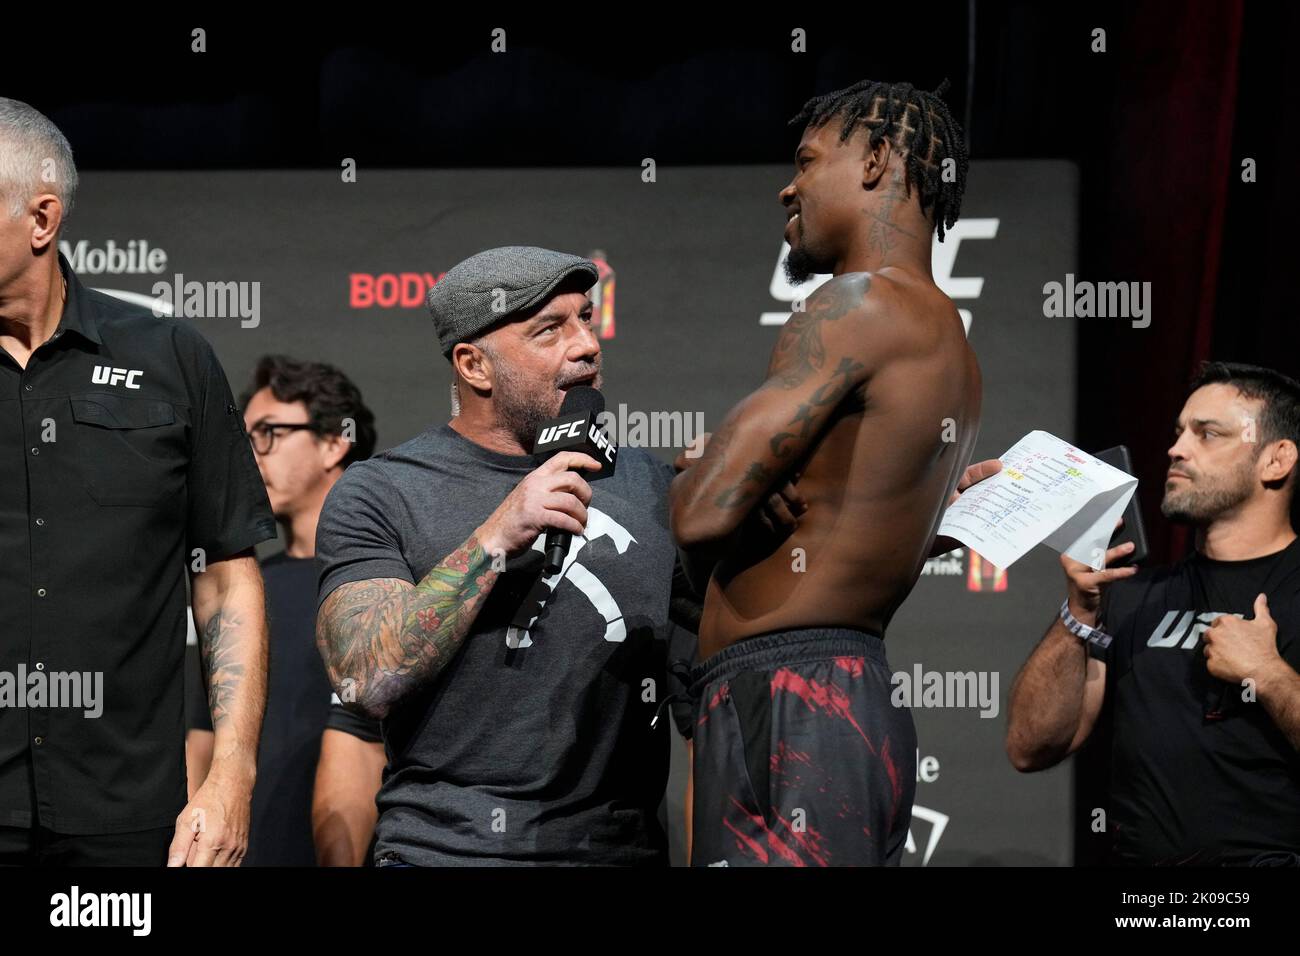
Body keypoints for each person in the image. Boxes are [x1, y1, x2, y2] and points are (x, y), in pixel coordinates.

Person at [670, 79, 986, 866]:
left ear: (877, 160)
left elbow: (700, 509)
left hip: (791, 697)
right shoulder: (946, 336)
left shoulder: (857, 304)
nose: (790, 184)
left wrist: (718, 465)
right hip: (837, 696)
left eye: (808, 161)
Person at [315, 246, 699, 865]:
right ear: (474, 365)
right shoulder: (382, 492)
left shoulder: (653, 490)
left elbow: (710, 699)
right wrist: (495, 536)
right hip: (442, 853)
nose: (586, 345)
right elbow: (365, 678)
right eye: (550, 329)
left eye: (585, 319)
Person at [0, 98, 274, 866]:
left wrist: (230, 776)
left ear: (42, 218)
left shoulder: (171, 357)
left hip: (123, 813)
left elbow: (225, 576)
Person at [1007, 362, 1300, 865]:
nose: (1176, 450)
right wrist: (1078, 612)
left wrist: (1269, 675)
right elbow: (1030, 747)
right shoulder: (1134, 594)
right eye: (1179, 432)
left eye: (1208, 434)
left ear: (1276, 460)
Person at [186, 355, 383, 865]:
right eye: (243, 439)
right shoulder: (238, 593)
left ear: (336, 442)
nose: (249, 456)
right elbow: (199, 744)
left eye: (268, 433)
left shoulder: (392, 586)